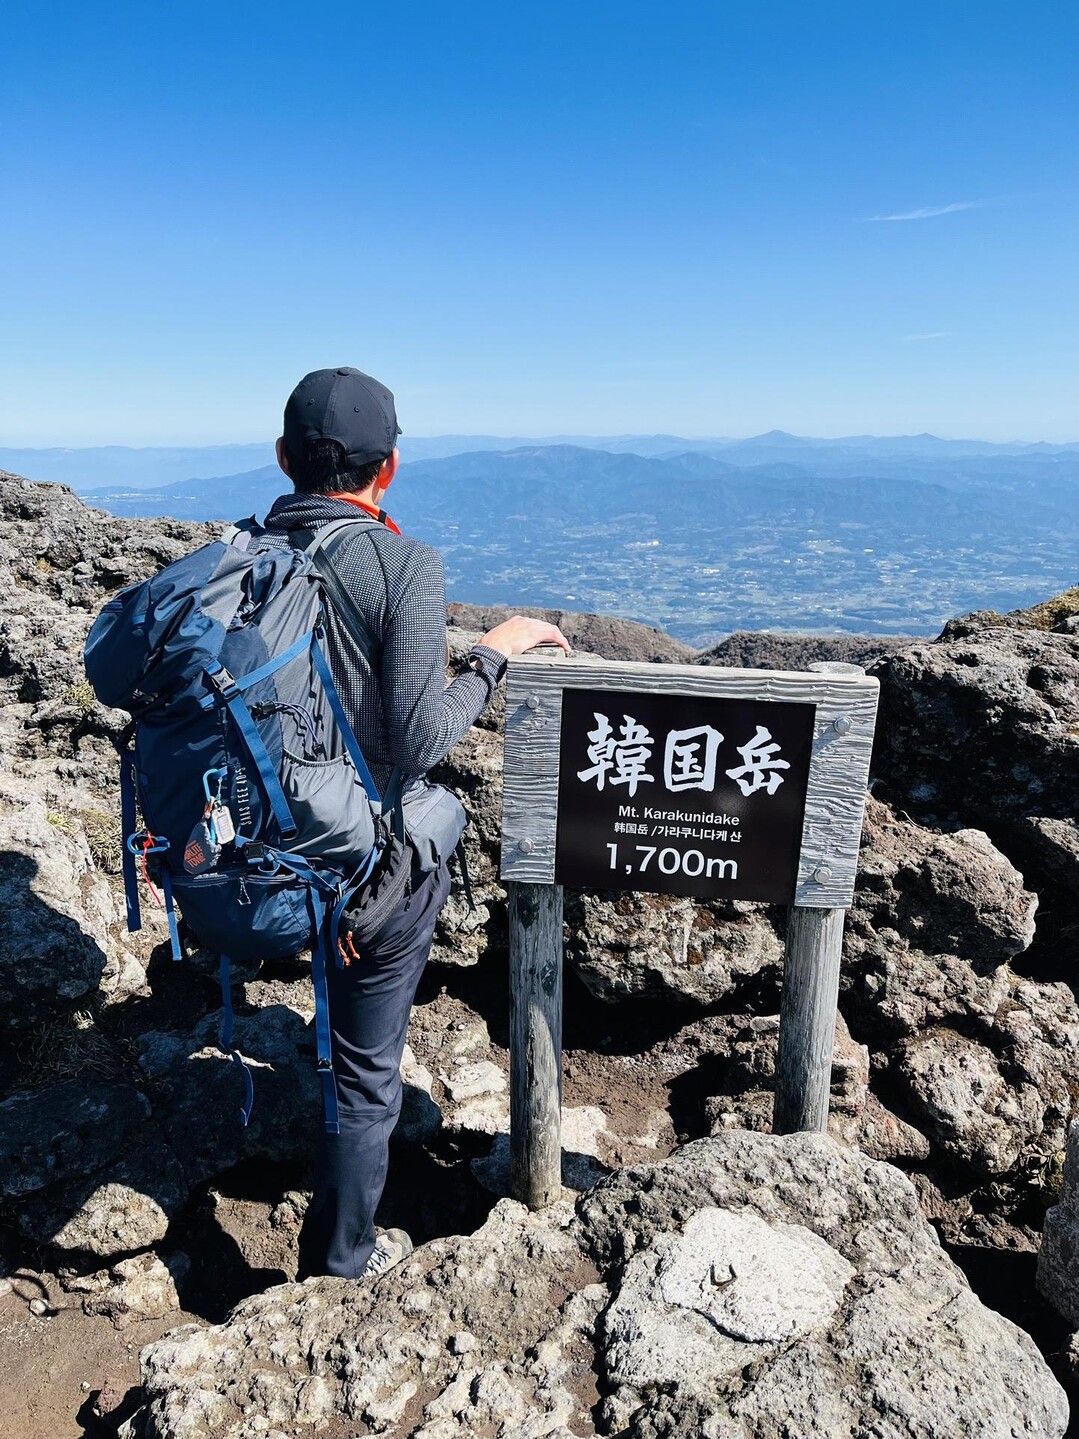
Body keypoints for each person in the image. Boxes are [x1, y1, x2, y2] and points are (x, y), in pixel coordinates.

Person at [264, 366, 569, 1281]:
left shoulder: (237, 554)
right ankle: (340, 1265)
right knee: (365, 1078)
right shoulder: (404, 563)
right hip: (359, 875)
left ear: (283, 459)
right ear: (386, 469)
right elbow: (423, 735)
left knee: (340, 1037)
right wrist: (492, 653)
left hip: (250, 853)